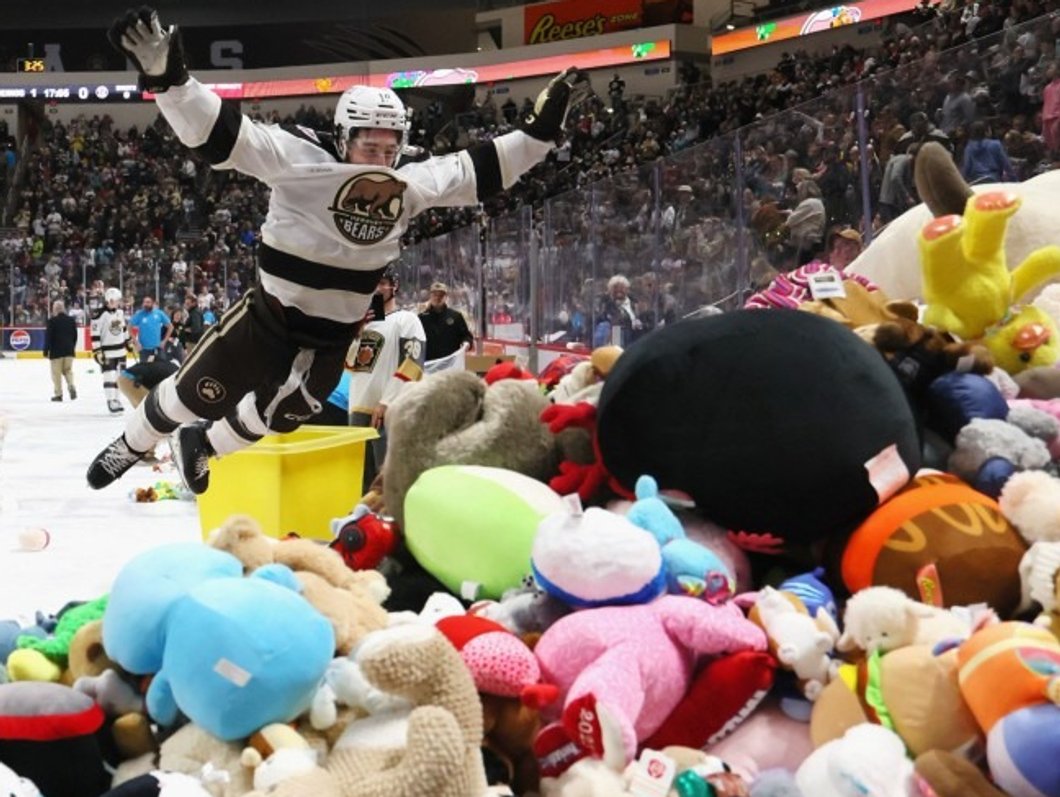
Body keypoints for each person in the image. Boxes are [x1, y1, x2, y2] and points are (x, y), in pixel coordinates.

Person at [88, 7, 589, 494]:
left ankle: (204, 445)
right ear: (343, 136)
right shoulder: (299, 154)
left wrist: (539, 134)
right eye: (370, 145)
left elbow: (480, 171)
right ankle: (130, 444)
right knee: (200, 387)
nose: (381, 155)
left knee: (285, 412)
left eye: (390, 145)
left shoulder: (408, 178)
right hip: (273, 314)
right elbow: (220, 137)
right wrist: (170, 80)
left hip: (336, 332)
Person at [347, 268, 426, 493]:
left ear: (394, 286)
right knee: (360, 480)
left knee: (387, 478)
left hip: (388, 410)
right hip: (358, 407)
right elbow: (351, 366)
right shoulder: (365, 325)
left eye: (382, 282)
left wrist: (387, 401)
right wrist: (356, 333)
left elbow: (413, 364)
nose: (378, 288)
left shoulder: (407, 320)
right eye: (373, 284)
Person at [90, 287, 131, 414]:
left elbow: (123, 328)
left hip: (121, 351)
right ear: (110, 300)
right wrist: (97, 351)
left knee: (120, 377)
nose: (119, 302)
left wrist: (128, 341)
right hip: (108, 352)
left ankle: (117, 399)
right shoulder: (99, 315)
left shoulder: (120, 312)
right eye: (117, 300)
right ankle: (110, 400)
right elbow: (95, 334)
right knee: (110, 376)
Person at [418, 281, 474, 362]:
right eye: (435, 295)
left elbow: (466, 336)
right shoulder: (422, 318)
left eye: (441, 295)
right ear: (430, 296)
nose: (437, 298)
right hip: (429, 364)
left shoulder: (455, 316)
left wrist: (466, 343)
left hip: (451, 363)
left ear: (446, 297)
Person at [43, 299, 78, 402]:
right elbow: (75, 336)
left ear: (55, 309)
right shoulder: (71, 320)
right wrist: (72, 347)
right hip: (69, 351)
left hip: (56, 352)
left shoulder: (52, 321)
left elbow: (48, 337)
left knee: (56, 374)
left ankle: (58, 394)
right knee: (68, 371)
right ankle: (71, 385)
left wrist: (46, 350)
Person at [129, 294, 173, 363]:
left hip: (157, 348)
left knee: (160, 369)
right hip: (144, 349)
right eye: (144, 302)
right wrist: (136, 342)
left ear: (152, 303)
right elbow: (129, 327)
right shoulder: (139, 314)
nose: (145, 304)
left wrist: (164, 341)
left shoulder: (159, 313)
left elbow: (170, 327)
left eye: (148, 302)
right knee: (145, 371)